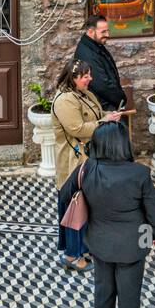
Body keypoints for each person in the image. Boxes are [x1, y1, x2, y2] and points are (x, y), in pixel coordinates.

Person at [63, 121, 155, 308]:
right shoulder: (139, 173)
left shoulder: (86, 169)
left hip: (98, 244)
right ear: (123, 144)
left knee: (103, 295)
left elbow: (66, 194)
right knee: (130, 299)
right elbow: (154, 210)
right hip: (133, 245)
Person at [52, 58, 121, 271]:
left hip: (88, 160)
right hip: (74, 163)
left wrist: (107, 116)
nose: (90, 78)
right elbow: (77, 129)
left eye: (89, 74)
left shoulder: (84, 94)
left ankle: (85, 247)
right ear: (73, 78)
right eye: (85, 76)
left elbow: (96, 115)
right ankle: (73, 256)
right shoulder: (64, 100)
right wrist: (105, 122)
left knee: (88, 206)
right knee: (76, 207)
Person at [74, 15, 126, 112]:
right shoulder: (87, 54)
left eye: (107, 30)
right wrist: (121, 99)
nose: (108, 35)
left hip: (105, 104)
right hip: (103, 108)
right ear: (90, 31)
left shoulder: (95, 46)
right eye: (103, 32)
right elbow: (102, 85)